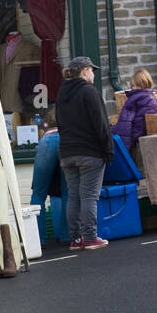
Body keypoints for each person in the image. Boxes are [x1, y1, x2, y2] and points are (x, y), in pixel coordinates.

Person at [55, 56, 113, 251]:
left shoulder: (62, 93)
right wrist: (108, 150)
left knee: (74, 197)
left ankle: (76, 239)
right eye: (92, 70)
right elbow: (101, 124)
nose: (93, 73)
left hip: (67, 152)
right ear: (84, 71)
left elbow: (60, 125)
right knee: (89, 197)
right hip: (90, 152)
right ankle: (89, 237)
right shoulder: (89, 91)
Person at [112, 68, 157, 151]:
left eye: (136, 85)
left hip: (128, 137)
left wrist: (127, 141)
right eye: (132, 85)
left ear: (144, 84)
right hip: (124, 132)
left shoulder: (147, 100)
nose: (133, 88)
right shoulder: (136, 99)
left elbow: (139, 127)